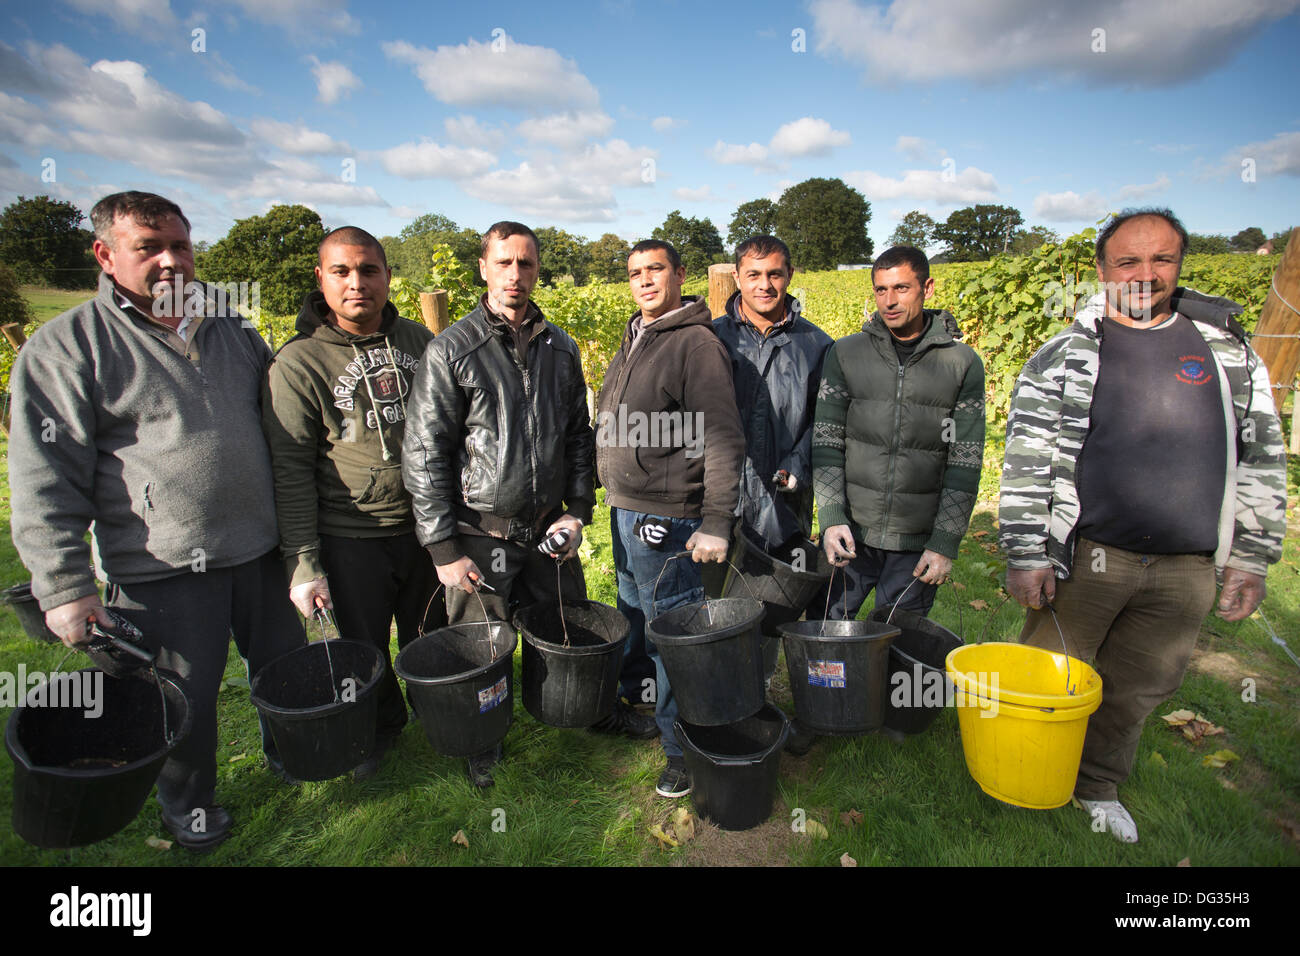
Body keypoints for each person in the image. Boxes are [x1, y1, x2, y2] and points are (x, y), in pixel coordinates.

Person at [8, 191, 304, 851]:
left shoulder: (229, 325)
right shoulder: (69, 348)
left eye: (181, 244)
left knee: (284, 670)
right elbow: (42, 475)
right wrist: (64, 585)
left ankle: (292, 759)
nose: (171, 261)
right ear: (106, 255)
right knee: (181, 704)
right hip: (163, 565)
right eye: (149, 248)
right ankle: (191, 811)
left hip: (260, 547)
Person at [999, 208, 1287, 844]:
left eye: (1162, 259)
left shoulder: (1226, 352)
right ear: (1103, 270)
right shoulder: (1066, 354)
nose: (1146, 273)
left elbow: (1263, 452)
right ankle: (1024, 772)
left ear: (1181, 265)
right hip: (1090, 557)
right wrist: (1026, 550)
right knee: (1052, 674)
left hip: (1186, 565)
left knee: (1138, 689)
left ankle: (1097, 786)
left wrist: (1253, 555)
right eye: (1128, 260)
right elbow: (1027, 460)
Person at [402, 221, 595, 788]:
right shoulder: (453, 350)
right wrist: (442, 546)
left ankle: (567, 710)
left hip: (546, 526)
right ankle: (481, 739)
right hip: (480, 533)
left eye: (527, 264)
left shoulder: (561, 347)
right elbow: (425, 453)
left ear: (537, 271)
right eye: (504, 263)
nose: (516, 275)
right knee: (483, 643)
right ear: (483, 268)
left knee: (560, 622)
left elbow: (579, 435)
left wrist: (577, 511)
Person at [262, 226, 437, 779]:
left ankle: (441, 717)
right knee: (365, 647)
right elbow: (289, 469)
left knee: (430, 632)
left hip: (425, 527)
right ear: (321, 278)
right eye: (341, 271)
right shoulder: (299, 363)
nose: (356, 283)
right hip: (351, 532)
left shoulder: (419, 342)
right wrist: (304, 563)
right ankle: (381, 730)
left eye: (369, 270)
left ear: (388, 276)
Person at [596, 239, 746, 798]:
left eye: (655, 270)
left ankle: (683, 747)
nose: (644, 280)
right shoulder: (637, 335)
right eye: (634, 272)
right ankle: (643, 707)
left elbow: (723, 437)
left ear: (679, 274)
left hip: (668, 518)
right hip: (625, 511)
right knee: (634, 613)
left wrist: (715, 522)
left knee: (672, 633)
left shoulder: (694, 344)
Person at [813, 245, 986, 619]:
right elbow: (827, 441)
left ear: (928, 287)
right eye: (880, 290)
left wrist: (945, 543)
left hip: (917, 542)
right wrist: (830, 519)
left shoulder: (962, 364)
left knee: (899, 648)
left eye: (902, 288)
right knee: (827, 640)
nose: (889, 301)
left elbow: (965, 461)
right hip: (851, 535)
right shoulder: (846, 354)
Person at [711, 235, 832, 677]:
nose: (765, 285)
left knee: (769, 603)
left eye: (774, 274)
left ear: (789, 276)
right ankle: (715, 684)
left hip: (785, 499)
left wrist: (796, 468)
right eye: (754, 275)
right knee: (717, 596)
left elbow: (827, 421)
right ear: (737, 277)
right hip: (720, 497)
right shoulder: (712, 339)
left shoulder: (817, 346)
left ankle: (755, 684)